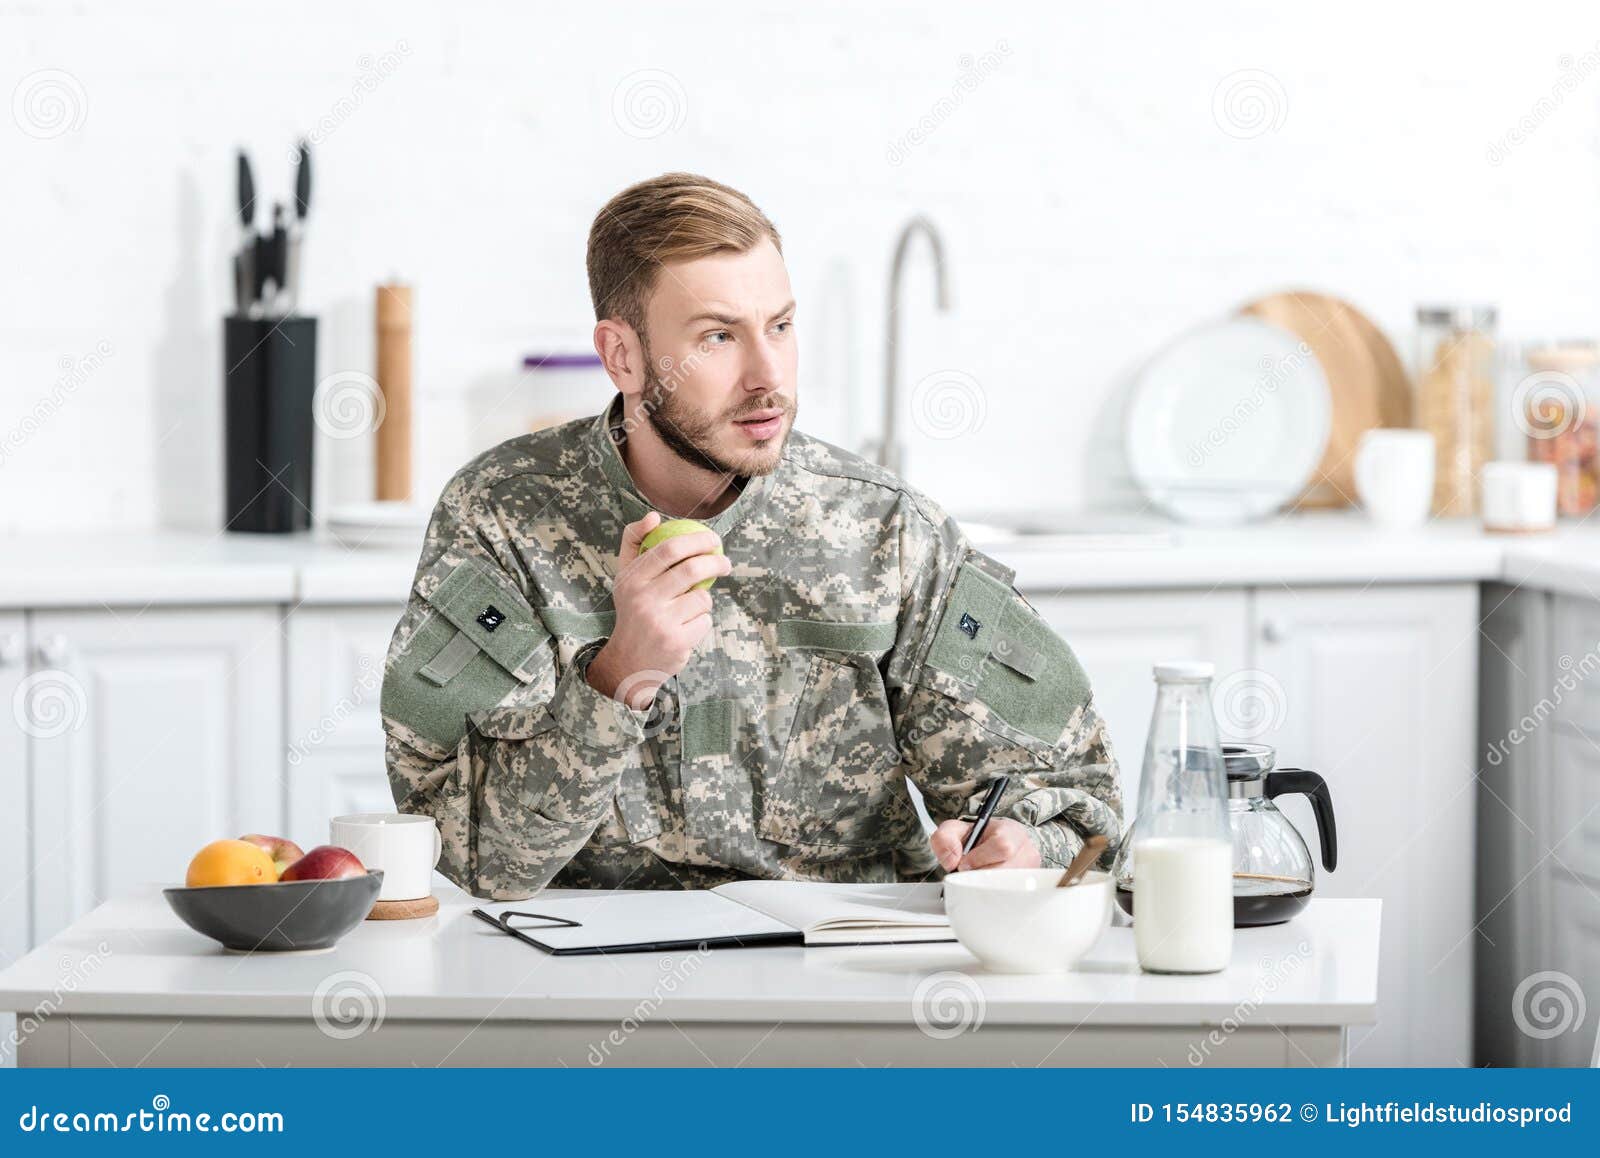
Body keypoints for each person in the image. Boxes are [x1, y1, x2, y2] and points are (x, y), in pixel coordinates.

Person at [380, 172, 1123, 898]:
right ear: (622, 356)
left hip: (847, 964)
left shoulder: (887, 529)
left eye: (781, 326)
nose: (768, 376)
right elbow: (471, 856)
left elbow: (1086, 816)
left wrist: (1025, 848)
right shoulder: (502, 515)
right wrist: (618, 676)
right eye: (718, 337)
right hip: (587, 967)